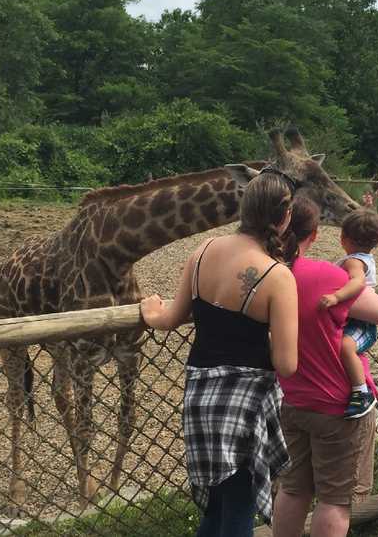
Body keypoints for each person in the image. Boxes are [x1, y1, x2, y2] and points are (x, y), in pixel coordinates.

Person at [140, 169, 300, 536]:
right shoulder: (277, 276)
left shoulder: (203, 251)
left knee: (215, 509)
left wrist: (151, 313)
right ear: (284, 215)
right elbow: (287, 364)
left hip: (199, 398)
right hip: (244, 408)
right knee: (238, 511)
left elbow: (173, 316)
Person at [273, 197, 378, 537]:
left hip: (293, 398)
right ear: (314, 233)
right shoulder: (328, 275)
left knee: (293, 488)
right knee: (335, 499)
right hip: (338, 403)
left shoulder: (269, 274)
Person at [317, 210, 378, 419]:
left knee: (347, 347)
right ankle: (367, 385)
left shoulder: (354, 261)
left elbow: (357, 281)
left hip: (361, 323)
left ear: (343, 238)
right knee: (346, 350)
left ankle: (361, 393)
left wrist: (337, 297)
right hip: (356, 320)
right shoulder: (363, 258)